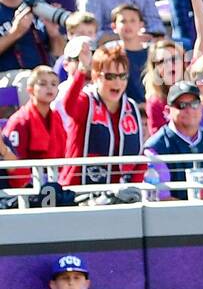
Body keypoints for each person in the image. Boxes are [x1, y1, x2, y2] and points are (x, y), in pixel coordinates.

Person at [59, 42, 148, 188]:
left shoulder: (131, 107)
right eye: (110, 76)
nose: (117, 82)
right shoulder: (86, 100)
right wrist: (81, 70)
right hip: (79, 189)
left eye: (122, 76)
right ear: (95, 77)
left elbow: (139, 158)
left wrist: (132, 188)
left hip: (120, 194)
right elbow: (69, 106)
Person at [143, 80, 203, 198]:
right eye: (181, 105)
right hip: (178, 215)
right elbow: (163, 198)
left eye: (194, 104)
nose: (189, 110)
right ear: (168, 111)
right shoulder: (156, 147)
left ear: (201, 107)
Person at [3, 64, 66, 188]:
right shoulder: (19, 121)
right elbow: (15, 165)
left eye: (54, 84)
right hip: (28, 186)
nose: (49, 88)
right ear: (30, 89)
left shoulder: (56, 117)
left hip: (55, 181)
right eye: (42, 84)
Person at [0, 0, 62, 73]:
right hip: (7, 79)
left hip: (42, 76)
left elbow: (60, 53)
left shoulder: (36, 3)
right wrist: (15, 33)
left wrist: (54, 34)